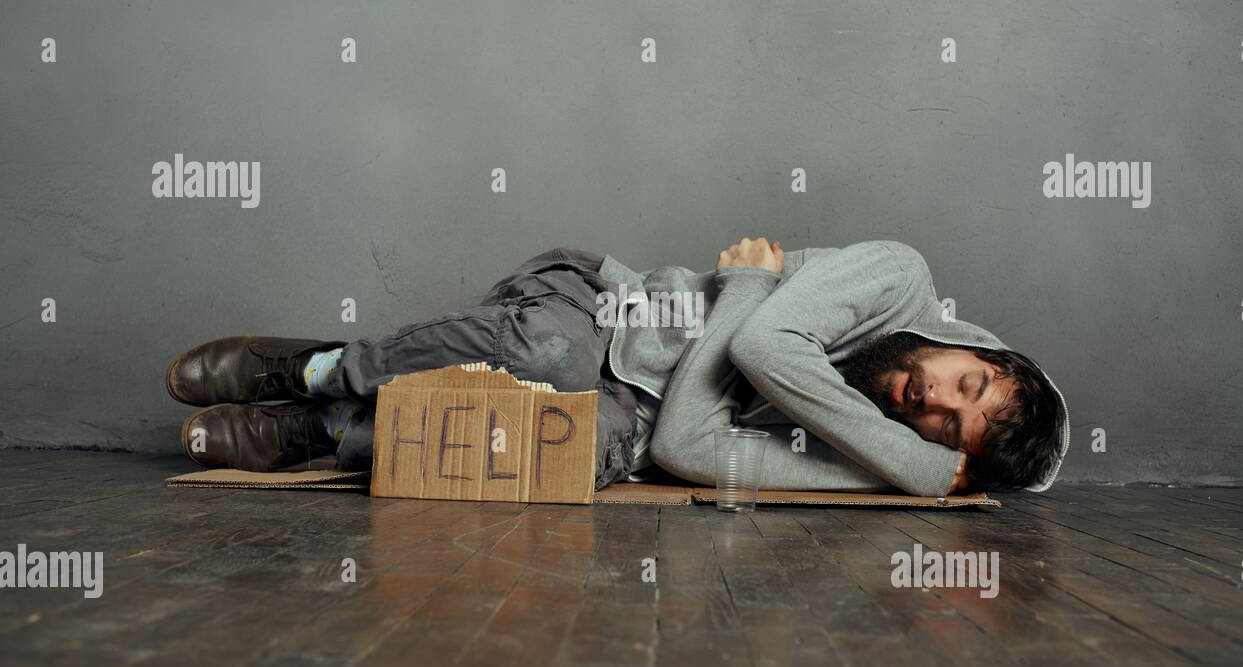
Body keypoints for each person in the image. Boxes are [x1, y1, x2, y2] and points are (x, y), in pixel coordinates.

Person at [165, 238, 1069, 496]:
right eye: (971, 382)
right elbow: (759, 349)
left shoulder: (878, 447)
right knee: (545, 355)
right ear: (981, 350)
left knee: (553, 448)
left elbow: (678, 444)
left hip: (635, 422)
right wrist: (749, 299)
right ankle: (316, 370)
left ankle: (319, 434)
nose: (939, 399)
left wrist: (901, 466)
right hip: (616, 321)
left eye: (952, 429)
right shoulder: (898, 277)